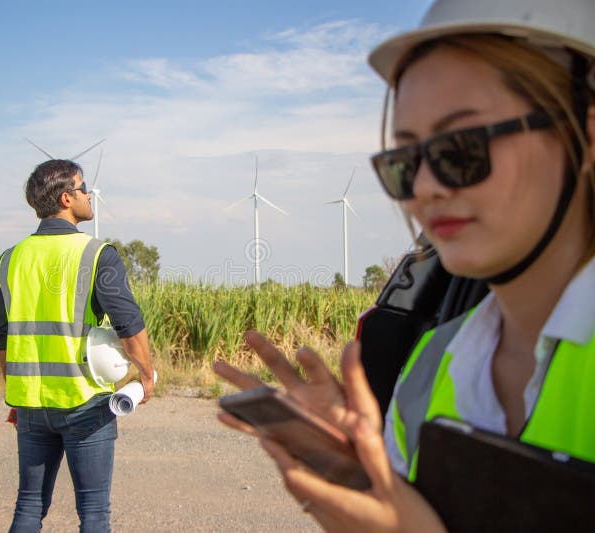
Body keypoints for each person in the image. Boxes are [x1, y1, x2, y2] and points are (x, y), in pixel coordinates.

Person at [214, 0, 594, 530]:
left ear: (585, 133)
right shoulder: (432, 363)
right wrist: (359, 476)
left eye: (462, 149)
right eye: (404, 162)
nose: (424, 188)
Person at [0, 159, 155, 533]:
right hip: (85, 402)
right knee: (94, 512)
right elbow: (130, 328)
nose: (88, 195)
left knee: (29, 507)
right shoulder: (97, 254)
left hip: (30, 405)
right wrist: (146, 376)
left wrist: (18, 395)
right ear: (67, 198)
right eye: (84, 189)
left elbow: (2, 338)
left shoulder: (9, 259)